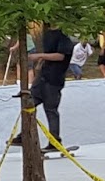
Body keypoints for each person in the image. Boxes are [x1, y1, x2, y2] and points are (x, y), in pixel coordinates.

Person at [29, 23, 76, 153]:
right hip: (43, 77)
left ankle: (54, 141)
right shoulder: (47, 35)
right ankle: (24, 134)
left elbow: (60, 56)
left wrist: (39, 56)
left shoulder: (64, 39)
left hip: (54, 80)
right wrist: (40, 62)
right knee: (29, 103)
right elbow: (49, 53)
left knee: (51, 110)